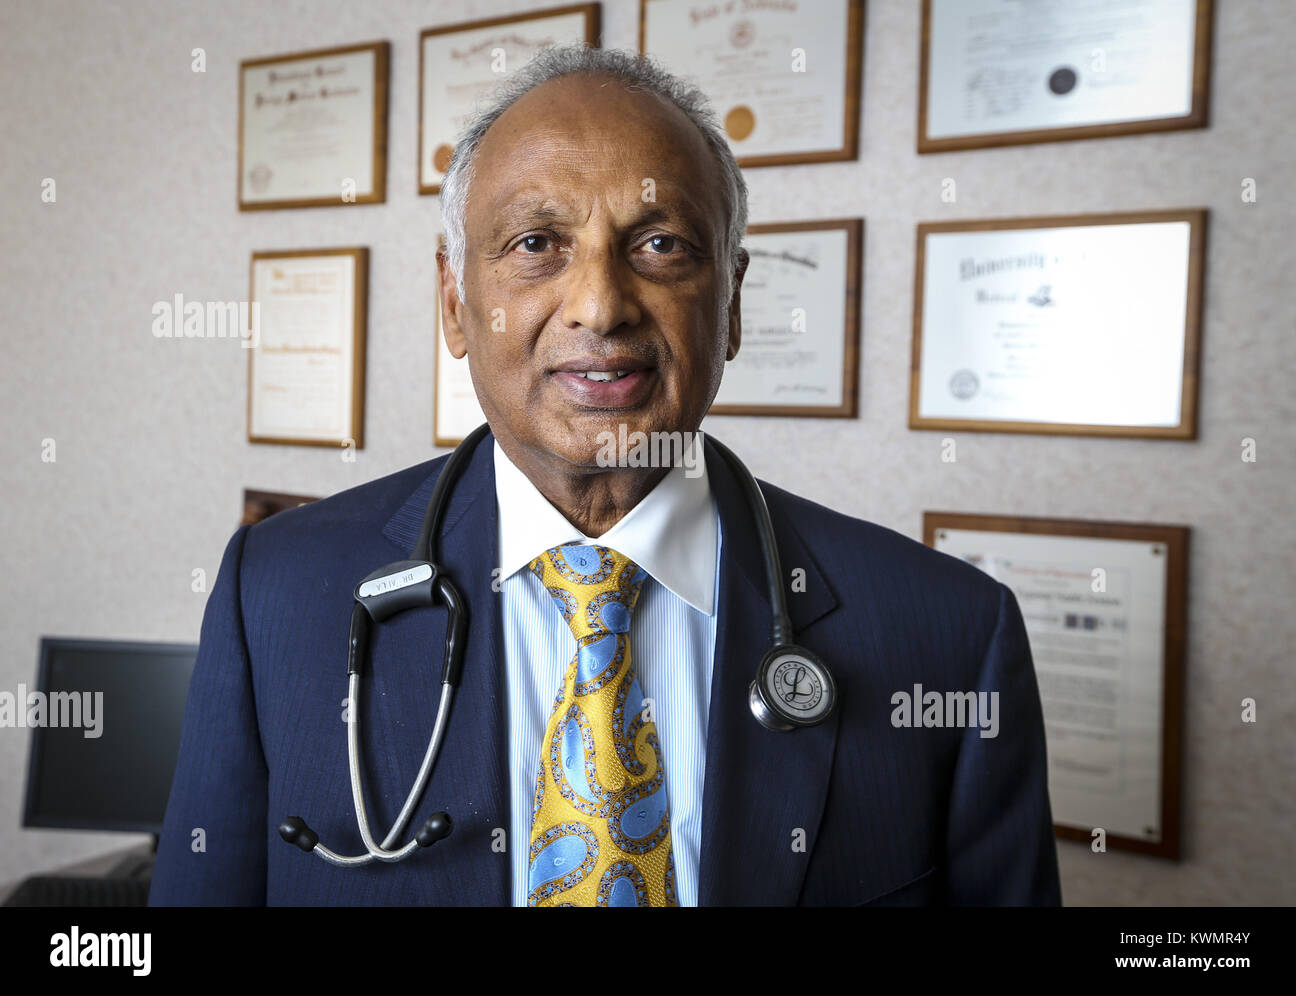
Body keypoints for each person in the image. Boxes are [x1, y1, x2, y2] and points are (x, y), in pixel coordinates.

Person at [150, 44, 1061, 907]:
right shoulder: (273, 596)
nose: (600, 304)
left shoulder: (947, 636)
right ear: (455, 302)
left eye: (661, 244)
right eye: (537, 243)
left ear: (731, 306)